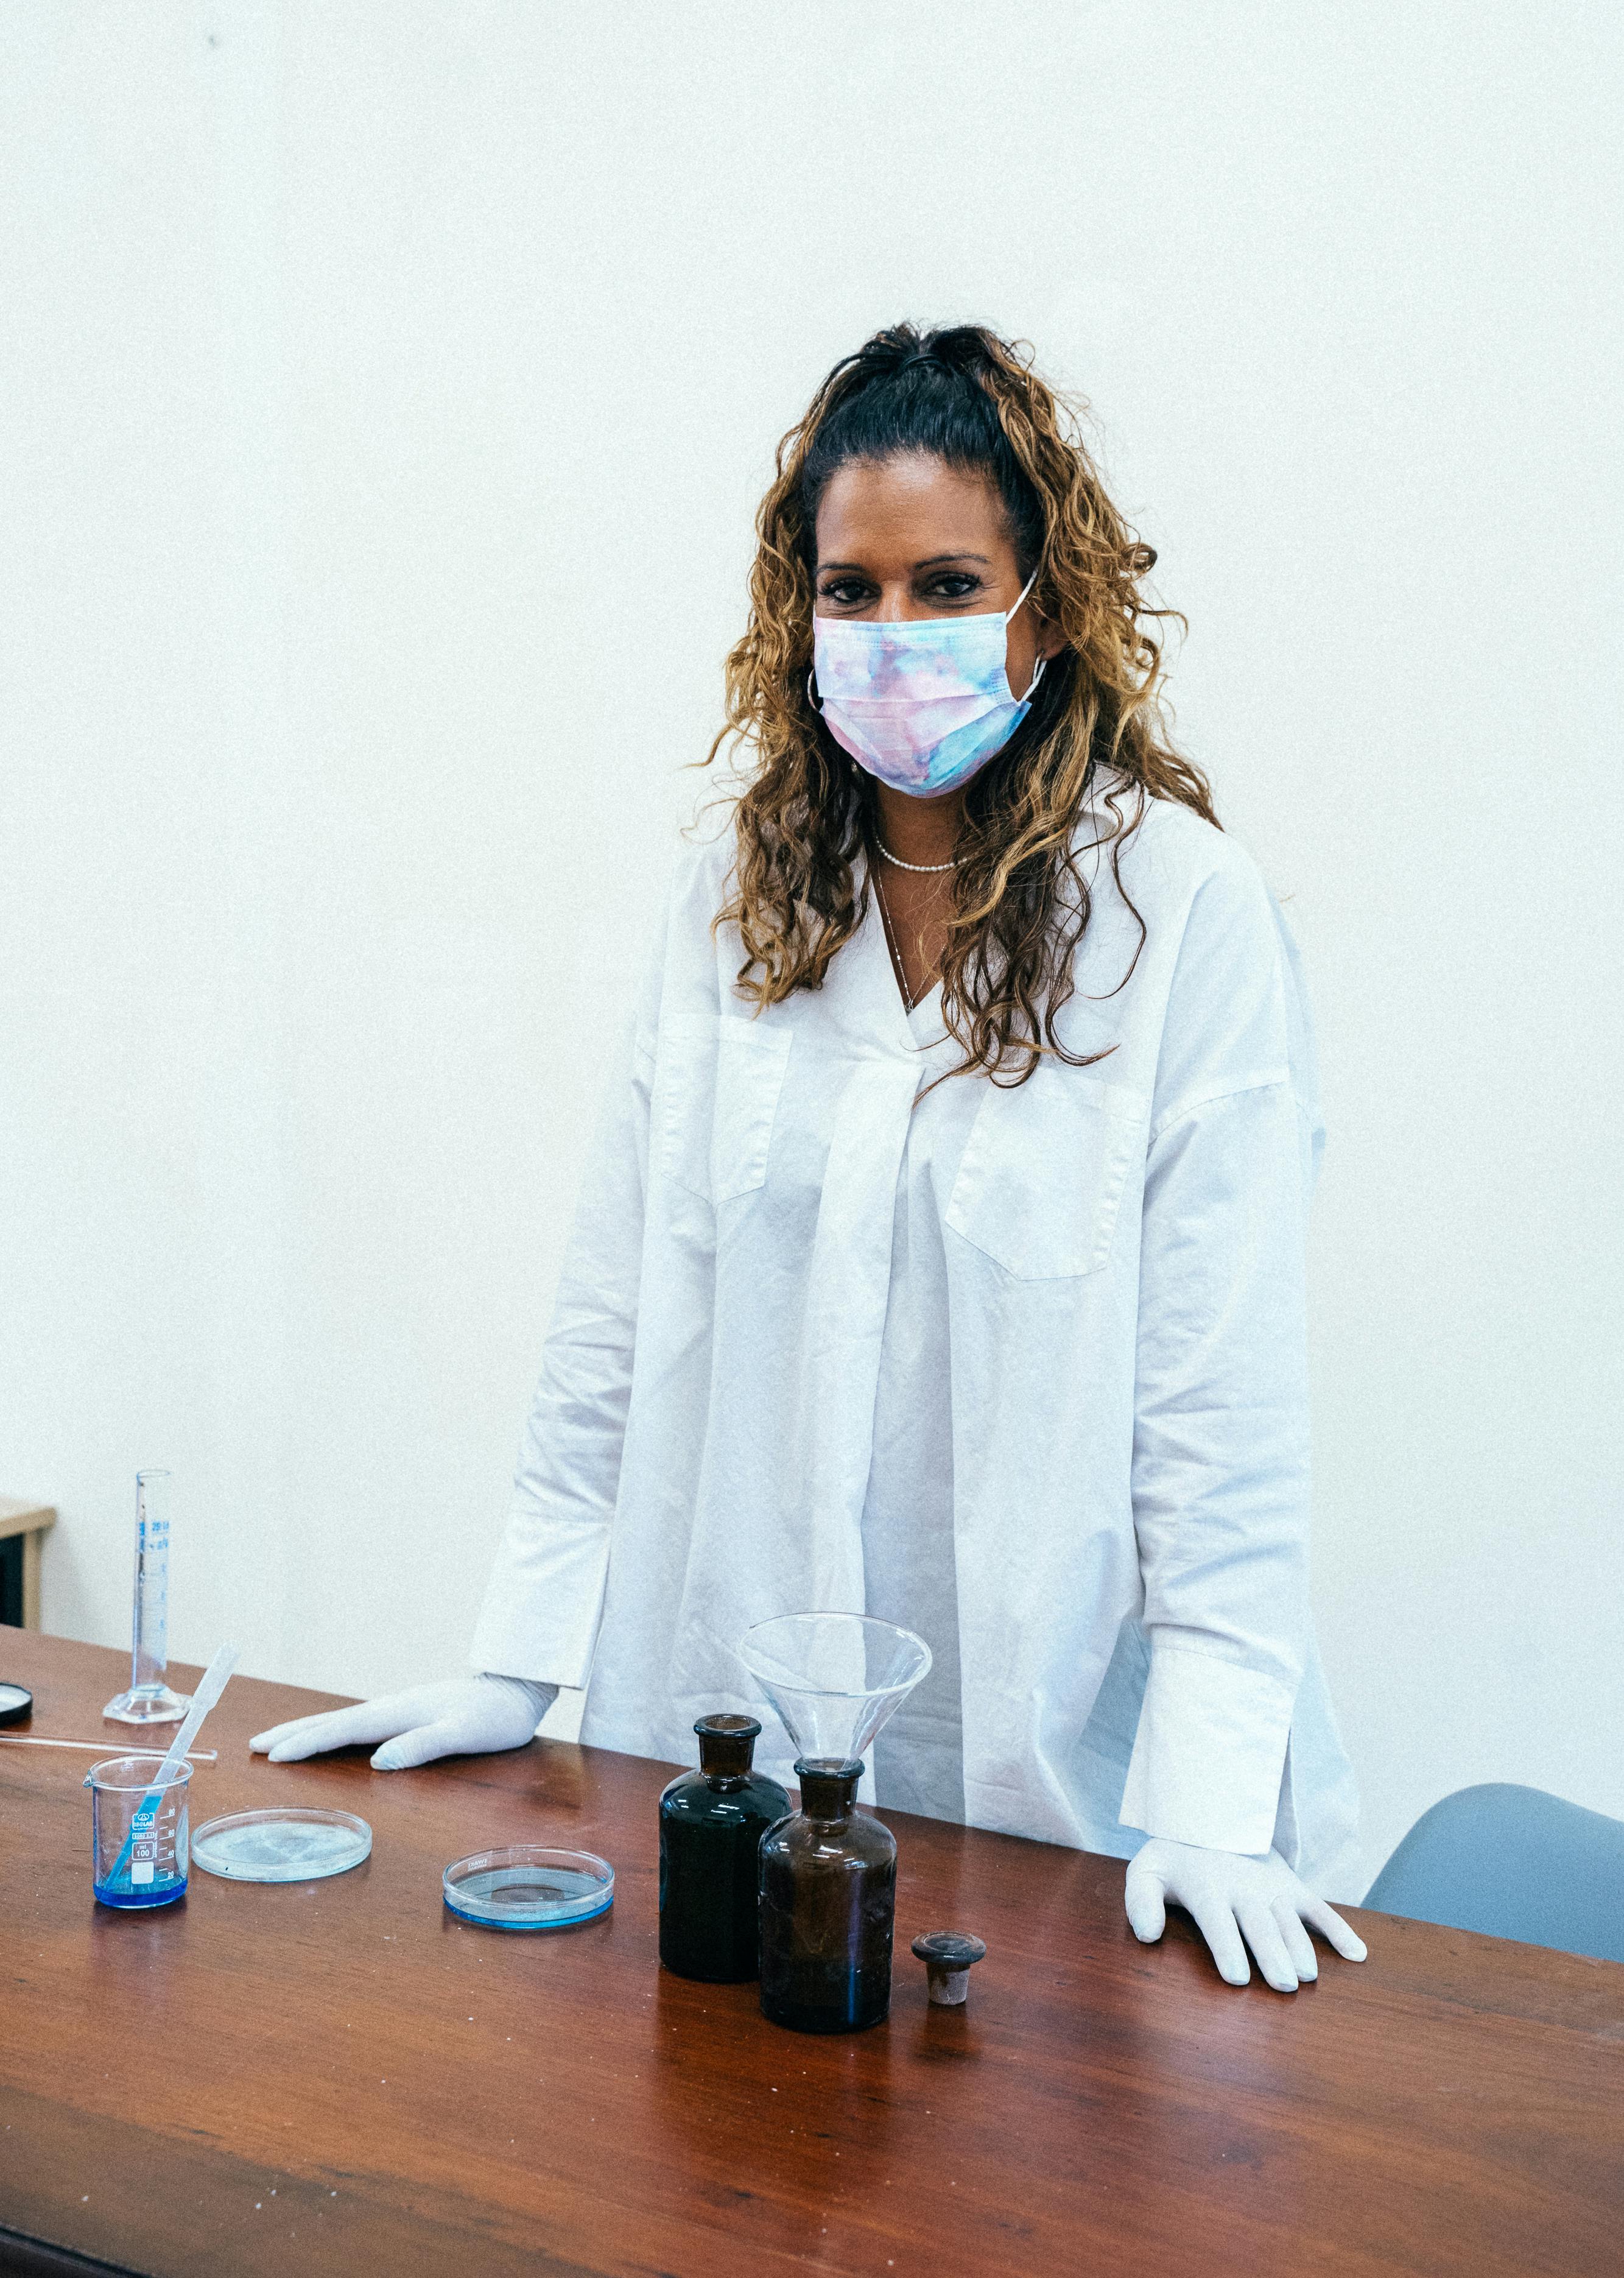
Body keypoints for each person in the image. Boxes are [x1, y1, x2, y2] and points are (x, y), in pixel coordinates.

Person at [254, 323, 1366, 1994]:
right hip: (730, 1744)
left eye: (945, 584)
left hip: (1064, 1779)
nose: (894, 633)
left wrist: (1206, 1800)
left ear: (1043, 606)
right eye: (851, 591)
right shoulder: (734, 899)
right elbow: (613, 1311)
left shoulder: (1177, 918)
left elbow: (1219, 1408)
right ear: (801, 611)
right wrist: (520, 1657)